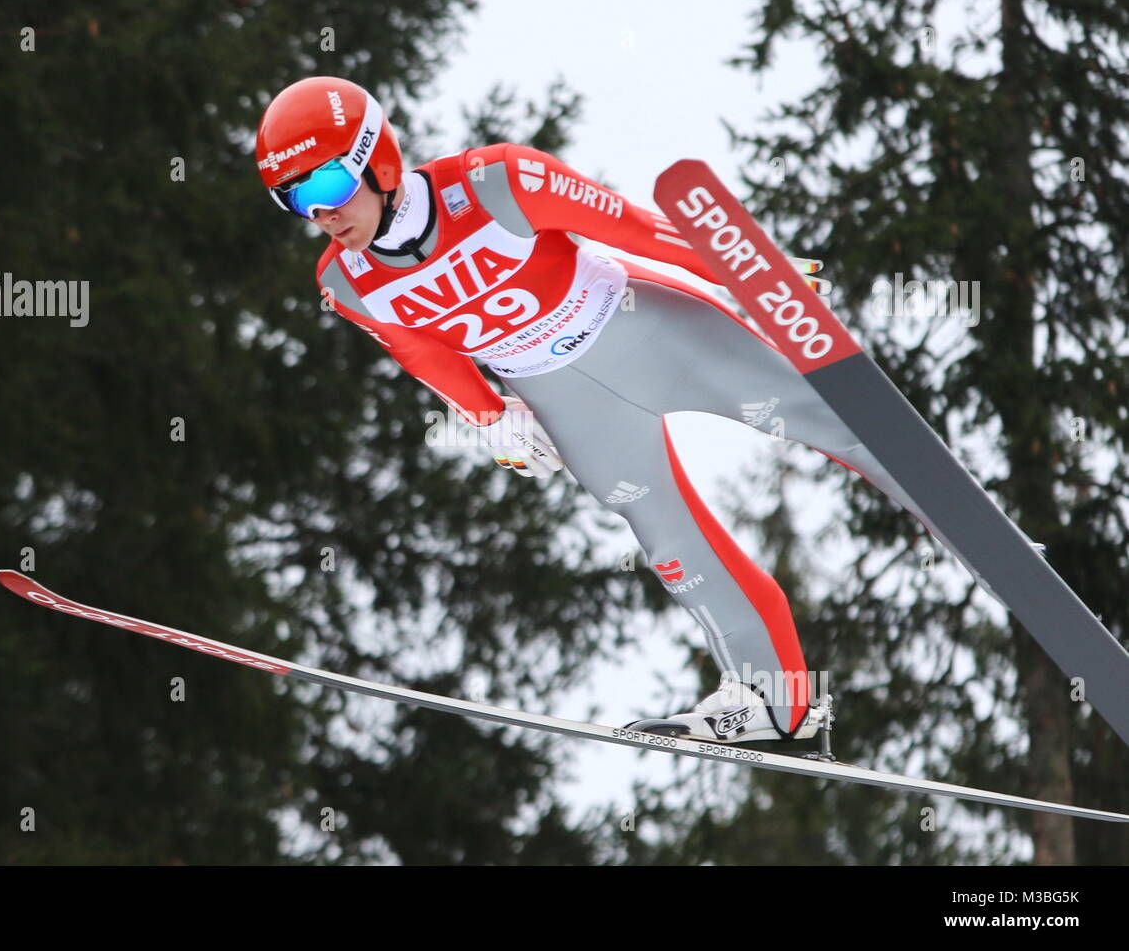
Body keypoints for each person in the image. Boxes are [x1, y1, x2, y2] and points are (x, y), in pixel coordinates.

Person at [255, 75, 936, 745]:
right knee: (670, 542)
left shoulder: (496, 182)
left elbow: (637, 229)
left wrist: (748, 271)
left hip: (644, 330)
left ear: (378, 160)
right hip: (566, 401)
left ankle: (964, 524)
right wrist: (491, 417)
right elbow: (420, 352)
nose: (321, 213)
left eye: (325, 186)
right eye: (294, 201)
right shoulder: (344, 280)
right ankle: (773, 702)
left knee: (818, 415)